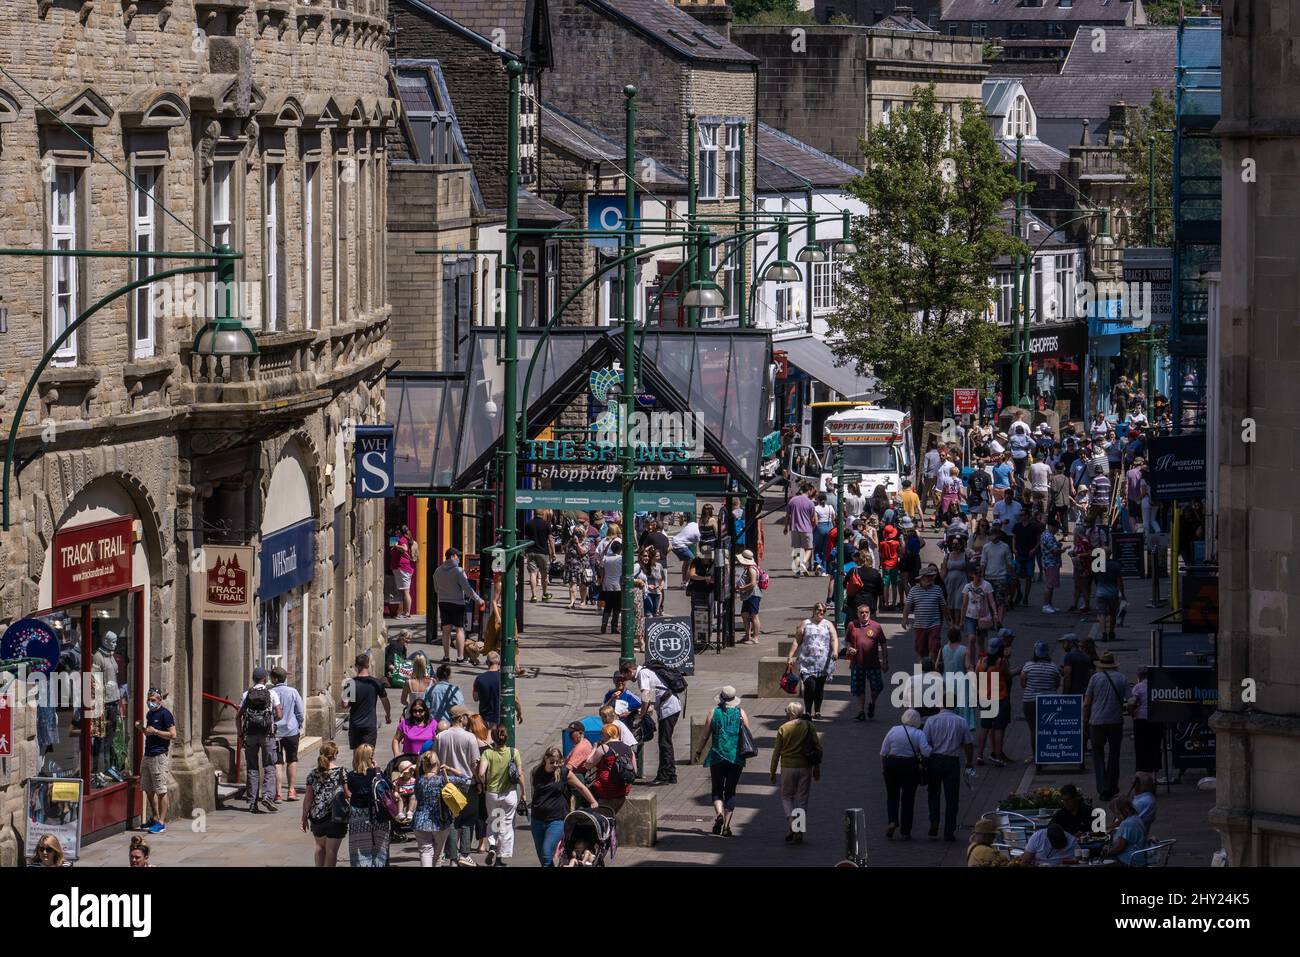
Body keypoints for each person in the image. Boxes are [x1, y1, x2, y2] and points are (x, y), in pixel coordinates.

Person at [694, 686, 753, 837]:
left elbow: (705, 735)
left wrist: (699, 751)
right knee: (731, 791)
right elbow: (748, 734)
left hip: (717, 756)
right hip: (736, 758)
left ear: (721, 698)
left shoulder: (714, 713)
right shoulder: (741, 713)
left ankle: (719, 814)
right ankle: (726, 825)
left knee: (717, 789)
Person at [530, 746, 599, 866]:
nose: (555, 765)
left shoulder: (563, 773)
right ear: (545, 759)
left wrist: (593, 801)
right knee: (542, 856)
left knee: (547, 852)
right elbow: (534, 792)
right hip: (537, 819)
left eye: (558, 762)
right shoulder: (535, 771)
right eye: (552, 762)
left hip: (556, 820)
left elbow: (581, 787)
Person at [435, 706, 484, 866]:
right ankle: (464, 853)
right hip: (466, 782)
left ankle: (453, 858)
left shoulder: (441, 736)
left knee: (452, 821)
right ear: (461, 717)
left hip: (447, 782)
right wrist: (478, 781)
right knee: (467, 820)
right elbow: (474, 763)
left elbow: (435, 761)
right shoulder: (470, 737)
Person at [410, 751, 476, 868]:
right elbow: (466, 779)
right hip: (440, 821)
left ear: (424, 765)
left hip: (420, 821)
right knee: (437, 853)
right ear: (437, 764)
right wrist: (450, 768)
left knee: (425, 852)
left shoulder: (418, 781)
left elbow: (417, 796)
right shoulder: (443, 780)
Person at [770, 700, 821, 844]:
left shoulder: (783, 728)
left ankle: (792, 823)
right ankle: (799, 831)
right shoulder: (809, 726)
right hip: (805, 767)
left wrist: (773, 772)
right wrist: (817, 767)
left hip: (787, 767)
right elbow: (818, 748)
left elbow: (776, 753)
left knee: (787, 797)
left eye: (787, 712)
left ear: (792, 713)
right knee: (802, 799)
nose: (786, 714)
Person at [923, 703, 974, 842]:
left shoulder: (931, 720)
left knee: (933, 794)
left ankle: (934, 822)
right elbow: (968, 743)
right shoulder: (961, 721)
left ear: (941, 705)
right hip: (952, 761)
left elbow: (925, 741)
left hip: (935, 760)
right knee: (952, 798)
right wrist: (969, 762)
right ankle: (949, 831)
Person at [478, 723, 526, 868]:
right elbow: (519, 774)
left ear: (493, 738)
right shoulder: (514, 752)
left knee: (494, 820)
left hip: (492, 793)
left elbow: (481, 773)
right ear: (506, 737)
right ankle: (500, 857)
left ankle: (492, 845)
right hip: (509, 794)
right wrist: (523, 793)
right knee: (506, 824)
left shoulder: (488, 753)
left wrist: (484, 783)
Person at [625, 661, 681, 784]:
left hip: (669, 708)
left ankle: (664, 776)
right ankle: (671, 774)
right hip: (669, 707)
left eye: (627, 676)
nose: (628, 679)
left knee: (664, 742)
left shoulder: (642, 674)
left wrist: (641, 715)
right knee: (666, 741)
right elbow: (652, 696)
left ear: (630, 671)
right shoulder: (647, 672)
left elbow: (646, 695)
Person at [880, 709, 932, 840]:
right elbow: (926, 752)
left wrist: (884, 768)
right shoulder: (919, 733)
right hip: (910, 766)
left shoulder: (894, 730)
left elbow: (883, 751)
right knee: (908, 798)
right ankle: (905, 831)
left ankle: (892, 821)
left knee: (892, 796)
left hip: (891, 764)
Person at [1084, 651, 1129, 800]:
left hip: (1096, 722)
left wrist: (1085, 720)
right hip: (1115, 721)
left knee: (1098, 754)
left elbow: (1087, 703)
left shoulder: (1095, 678)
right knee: (1114, 754)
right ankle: (1112, 786)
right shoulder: (1122, 678)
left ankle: (1102, 788)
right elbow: (1131, 699)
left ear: (1101, 666)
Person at [240, 666, 283, 814]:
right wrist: (270, 721)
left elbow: (239, 715)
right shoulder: (271, 694)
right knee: (269, 766)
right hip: (267, 734)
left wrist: (240, 733)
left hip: (250, 734)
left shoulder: (246, 694)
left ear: (253, 679)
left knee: (252, 767)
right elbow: (279, 714)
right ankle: (267, 796)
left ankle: (252, 802)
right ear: (265, 679)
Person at [433, 547, 485, 663]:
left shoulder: (438, 571)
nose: (459, 558)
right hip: (457, 603)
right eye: (458, 556)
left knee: (445, 630)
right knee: (459, 630)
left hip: (443, 602)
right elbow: (467, 589)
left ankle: (446, 656)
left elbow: (436, 588)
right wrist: (478, 600)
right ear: (452, 557)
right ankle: (460, 657)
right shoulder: (458, 571)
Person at [136, 687, 176, 833]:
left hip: (159, 756)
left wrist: (157, 731)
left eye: (153, 700)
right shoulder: (150, 714)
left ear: (159, 700)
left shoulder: (165, 714)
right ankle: (154, 817)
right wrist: (142, 728)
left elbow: (173, 734)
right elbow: (149, 733)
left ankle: (161, 822)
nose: (150, 703)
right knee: (147, 788)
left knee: (160, 790)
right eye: (148, 700)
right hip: (148, 754)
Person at [789, 603, 838, 719]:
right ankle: (807, 712)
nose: (821, 612)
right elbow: (797, 641)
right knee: (810, 687)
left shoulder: (828, 624)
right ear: (814, 610)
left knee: (819, 688)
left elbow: (834, 638)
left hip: (823, 663)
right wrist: (790, 656)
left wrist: (835, 651)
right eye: (819, 610)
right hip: (807, 663)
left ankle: (817, 711)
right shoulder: (805, 624)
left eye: (823, 611)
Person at [302, 740, 347, 867]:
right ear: (335, 755)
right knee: (331, 850)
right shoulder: (341, 772)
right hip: (336, 815)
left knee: (319, 847)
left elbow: (308, 798)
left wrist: (304, 817)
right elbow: (348, 794)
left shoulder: (312, 774)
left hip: (317, 815)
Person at [344, 743, 388, 867]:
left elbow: (351, 790)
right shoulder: (377, 773)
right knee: (379, 845)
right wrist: (377, 769)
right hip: (378, 812)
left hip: (358, 813)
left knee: (359, 846)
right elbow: (386, 787)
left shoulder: (351, 776)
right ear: (370, 757)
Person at [844, 602, 887, 721]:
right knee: (859, 688)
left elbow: (883, 643)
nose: (864, 615)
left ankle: (872, 703)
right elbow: (847, 640)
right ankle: (861, 711)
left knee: (877, 687)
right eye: (861, 612)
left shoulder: (876, 626)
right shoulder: (852, 625)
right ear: (857, 614)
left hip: (873, 663)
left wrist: (885, 661)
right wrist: (849, 648)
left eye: (866, 612)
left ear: (870, 613)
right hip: (857, 663)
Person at [1020, 641, 1062, 761]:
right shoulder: (1053, 667)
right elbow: (1057, 684)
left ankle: (1036, 755)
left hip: (1030, 701)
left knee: (1034, 729)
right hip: (1048, 701)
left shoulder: (1028, 666)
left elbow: (1023, 684)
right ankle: (1048, 752)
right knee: (1048, 728)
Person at [269, 667, 304, 802]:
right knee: (292, 760)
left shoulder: (270, 692)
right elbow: (300, 712)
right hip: (291, 731)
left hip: (275, 732)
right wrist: (299, 724)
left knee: (277, 762)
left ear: (275, 679)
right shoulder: (293, 692)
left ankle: (278, 793)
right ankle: (291, 791)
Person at [341, 653, 390, 751]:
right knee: (369, 753)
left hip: (355, 724)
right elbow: (385, 701)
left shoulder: (350, 683)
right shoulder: (376, 682)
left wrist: (352, 700)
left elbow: (344, 704)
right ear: (368, 665)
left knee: (357, 754)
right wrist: (388, 715)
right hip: (370, 724)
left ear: (356, 666)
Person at [975, 636, 1012, 767]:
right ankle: (997, 756)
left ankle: (979, 756)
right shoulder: (1001, 662)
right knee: (998, 729)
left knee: (984, 727)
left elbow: (977, 677)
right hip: (1000, 698)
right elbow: (1007, 676)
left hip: (985, 697)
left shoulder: (981, 661)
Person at [902, 563, 947, 663]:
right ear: (921, 579)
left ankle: (932, 672)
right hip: (919, 625)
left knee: (933, 648)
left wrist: (948, 619)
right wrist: (904, 619)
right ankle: (919, 674)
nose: (930, 579)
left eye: (931, 577)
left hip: (934, 624)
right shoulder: (914, 590)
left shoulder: (937, 589)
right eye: (927, 577)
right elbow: (908, 605)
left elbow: (943, 606)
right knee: (921, 651)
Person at [938, 626, 977, 734]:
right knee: (962, 707)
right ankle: (962, 730)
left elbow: (939, 665)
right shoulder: (964, 650)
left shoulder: (944, 648)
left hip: (946, 681)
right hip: (961, 683)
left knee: (948, 708)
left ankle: (948, 730)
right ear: (959, 637)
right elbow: (968, 666)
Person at [472, 651, 522, 728]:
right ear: (499, 663)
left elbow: (475, 698)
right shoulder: (505, 679)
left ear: (487, 662)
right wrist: (519, 712)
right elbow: (515, 700)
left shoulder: (479, 678)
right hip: (501, 718)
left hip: (484, 719)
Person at [1130, 667, 1162, 774]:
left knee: (1141, 747)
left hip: (1141, 720)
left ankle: (1142, 773)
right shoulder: (1157, 685)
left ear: (1139, 676)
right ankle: (1154, 775)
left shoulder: (1138, 687)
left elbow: (1132, 702)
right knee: (1155, 746)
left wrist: (1132, 711)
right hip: (1156, 719)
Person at [960, 564, 996, 655]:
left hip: (983, 617)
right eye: (976, 573)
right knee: (971, 639)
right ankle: (971, 663)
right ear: (972, 574)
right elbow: (964, 605)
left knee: (981, 642)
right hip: (970, 616)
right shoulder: (967, 587)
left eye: (980, 572)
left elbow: (992, 601)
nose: (979, 575)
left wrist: (995, 613)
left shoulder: (987, 585)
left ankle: (981, 664)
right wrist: (961, 620)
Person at [979, 528, 1014, 623]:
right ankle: (992, 620)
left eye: (994, 534)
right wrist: (981, 577)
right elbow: (983, 563)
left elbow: (1009, 562)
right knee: (990, 602)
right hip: (988, 578)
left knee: (1000, 602)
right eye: (991, 534)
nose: (992, 536)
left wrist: (1011, 576)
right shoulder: (986, 547)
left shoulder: (1005, 547)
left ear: (998, 535)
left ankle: (999, 622)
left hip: (1001, 578)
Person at [1091, 550, 1126, 643]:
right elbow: (1119, 582)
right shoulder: (1115, 565)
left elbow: (1095, 579)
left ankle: (1103, 633)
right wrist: (1122, 594)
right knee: (1113, 614)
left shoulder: (1097, 564)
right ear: (1110, 554)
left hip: (1100, 593)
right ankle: (1111, 632)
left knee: (1101, 614)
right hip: (1113, 593)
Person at [1104, 796, 1149, 866]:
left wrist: (1106, 854)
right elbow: (1120, 821)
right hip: (1140, 857)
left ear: (1123, 811)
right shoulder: (1136, 817)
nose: (1116, 816)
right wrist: (1108, 827)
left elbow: (1120, 847)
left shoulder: (1127, 824)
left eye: (1116, 813)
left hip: (1129, 859)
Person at [1010, 508, 1041, 609]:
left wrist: (1034, 549)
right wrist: (1014, 548)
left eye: (1023, 515)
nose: (1021, 516)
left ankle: (1026, 597)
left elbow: (1038, 539)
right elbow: (1014, 537)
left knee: (1028, 576)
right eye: (1020, 515)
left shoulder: (1034, 526)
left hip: (1029, 554)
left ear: (1027, 516)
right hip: (1019, 553)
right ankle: (1017, 594)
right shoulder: (1017, 526)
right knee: (1016, 576)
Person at [784, 484, 817, 576]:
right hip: (807, 528)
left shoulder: (792, 500)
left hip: (794, 528)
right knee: (809, 548)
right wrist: (813, 526)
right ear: (809, 491)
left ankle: (797, 571)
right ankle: (803, 562)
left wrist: (786, 526)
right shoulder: (810, 503)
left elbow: (787, 515)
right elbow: (813, 518)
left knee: (797, 549)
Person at [524, 508, 555, 602]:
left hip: (531, 551)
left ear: (534, 513)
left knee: (533, 574)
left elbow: (526, 538)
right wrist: (553, 552)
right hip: (543, 552)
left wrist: (525, 551)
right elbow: (550, 539)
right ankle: (544, 594)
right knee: (544, 574)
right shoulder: (546, 524)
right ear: (542, 514)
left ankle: (534, 595)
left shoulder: (529, 524)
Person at [941, 537, 971, 629]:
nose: (954, 546)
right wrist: (940, 582)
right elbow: (944, 570)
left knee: (959, 601)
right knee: (950, 601)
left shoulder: (964, 555)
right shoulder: (948, 555)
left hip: (962, 580)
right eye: (953, 544)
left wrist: (970, 583)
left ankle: (958, 623)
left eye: (956, 544)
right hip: (949, 581)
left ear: (961, 545)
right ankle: (952, 621)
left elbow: (967, 570)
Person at [735, 548, 762, 644]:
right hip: (749, 594)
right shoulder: (750, 567)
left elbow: (753, 583)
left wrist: (742, 588)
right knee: (745, 614)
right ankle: (747, 635)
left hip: (753, 594)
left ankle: (755, 637)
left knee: (754, 615)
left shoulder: (751, 569)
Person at [1039, 518, 1064, 614]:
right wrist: (1063, 549)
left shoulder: (1047, 535)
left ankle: (1049, 604)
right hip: (1050, 562)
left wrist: (1058, 544)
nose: (1057, 530)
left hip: (1051, 562)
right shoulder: (1048, 536)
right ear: (1052, 527)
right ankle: (1046, 605)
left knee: (1051, 584)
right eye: (1056, 528)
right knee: (1049, 585)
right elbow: (1054, 550)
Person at [670, 513, 702, 587]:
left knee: (687, 562)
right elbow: (700, 546)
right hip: (679, 545)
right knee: (693, 562)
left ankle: (684, 581)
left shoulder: (693, 523)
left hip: (675, 542)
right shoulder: (698, 533)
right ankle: (685, 582)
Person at [390, 525, 416, 618]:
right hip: (401, 567)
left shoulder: (402, 539)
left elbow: (404, 548)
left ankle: (407, 612)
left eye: (396, 531)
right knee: (404, 591)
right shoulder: (399, 539)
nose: (395, 532)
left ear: (400, 531)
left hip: (403, 567)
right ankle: (405, 611)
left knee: (405, 591)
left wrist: (395, 545)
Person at [600, 540, 624, 634]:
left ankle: (604, 624)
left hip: (607, 584)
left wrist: (601, 581)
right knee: (617, 608)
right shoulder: (621, 559)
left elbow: (602, 570)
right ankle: (614, 627)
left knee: (608, 606)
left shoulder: (606, 558)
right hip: (618, 585)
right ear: (620, 549)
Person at [563, 527, 590, 610]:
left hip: (583, 566)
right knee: (572, 585)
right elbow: (567, 552)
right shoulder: (570, 542)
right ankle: (572, 602)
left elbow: (582, 552)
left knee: (583, 585)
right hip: (572, 566)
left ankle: (583, 602)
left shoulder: (587, 541)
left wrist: (578, 544)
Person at [638, 545, 666, 620]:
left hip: (657, 593)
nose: (659, 558)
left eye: (659, 556)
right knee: (649, 615)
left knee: (655, 614)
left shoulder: (659, 566)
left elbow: (663, 578)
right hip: (648, 593)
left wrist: (661, 586)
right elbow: (641, 555)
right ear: (652, 556)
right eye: (657, 556)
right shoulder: (645, 565)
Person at [878, 523, 902, 609]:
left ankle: (886, 603)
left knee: (886, 585)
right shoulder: (896, 543)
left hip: (885, 565)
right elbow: (900, 553)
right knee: (894, 584)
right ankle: (894, 603)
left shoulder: (882, 543)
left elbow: (880, 554)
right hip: (894, 564)